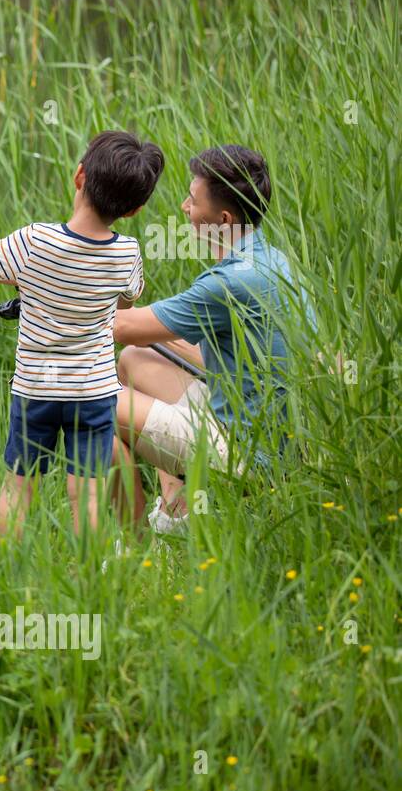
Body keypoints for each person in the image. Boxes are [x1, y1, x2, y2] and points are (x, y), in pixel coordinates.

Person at [0, 130, 165, 541]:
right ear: (134, 210)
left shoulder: (34, 240)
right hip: (93, 392)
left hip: (36, 388)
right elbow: (127, 301)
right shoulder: (128, 253)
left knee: (18, 487)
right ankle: (88, 577)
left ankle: (0, 573)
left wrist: (19, 271)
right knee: (85, 494)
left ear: (78, 176)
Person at [111, 145, 310, 534]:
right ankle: (177, 515)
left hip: (250, 455)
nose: (185, 207)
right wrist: (141, 320)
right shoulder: (271, 260)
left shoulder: (230, 283)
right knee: (134, 360)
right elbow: (161, 339)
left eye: (192, 199)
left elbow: (118, 327)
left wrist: (56, 292)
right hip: (261, 429)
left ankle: (135, 551)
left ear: (222, 218)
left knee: (95, 402)